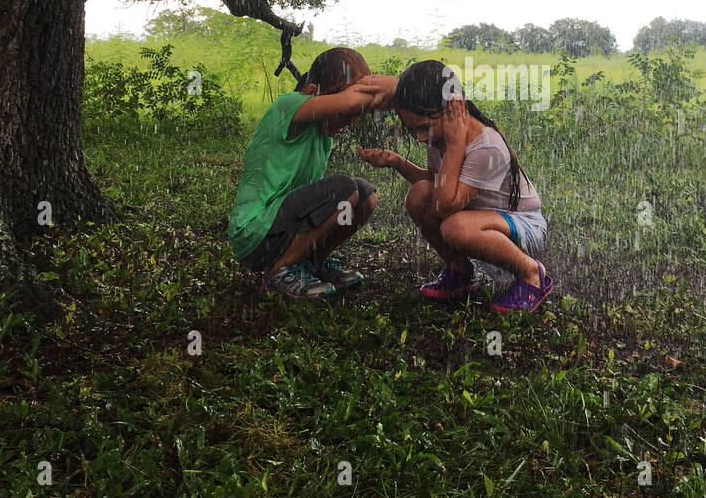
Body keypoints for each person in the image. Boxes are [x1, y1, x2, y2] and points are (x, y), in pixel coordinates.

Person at [358, 60, 554, 314]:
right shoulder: (437, 136)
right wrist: (397, 162)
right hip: (482, 220)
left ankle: (530, 273)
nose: (419, 137)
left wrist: (455, 147)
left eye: (423, 127)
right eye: (412, 130)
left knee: (455, 227)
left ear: (455, 107)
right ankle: (459, 272)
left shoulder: (486, 147)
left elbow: (444, 205)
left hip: (523, 227)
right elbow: (435, 186)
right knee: (419, 195)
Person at [229, 47, 396, 298]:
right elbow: (353, 99)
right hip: (255, 234)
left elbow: (353, 101)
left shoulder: (321, 135)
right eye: (347, 112)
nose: (351, 120)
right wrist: (401, 85)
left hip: (280, 229)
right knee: (345, 188)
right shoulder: (289, 106)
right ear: (312, 93)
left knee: (364, 196)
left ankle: (310, 264)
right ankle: (280, 270)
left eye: (356, 116)